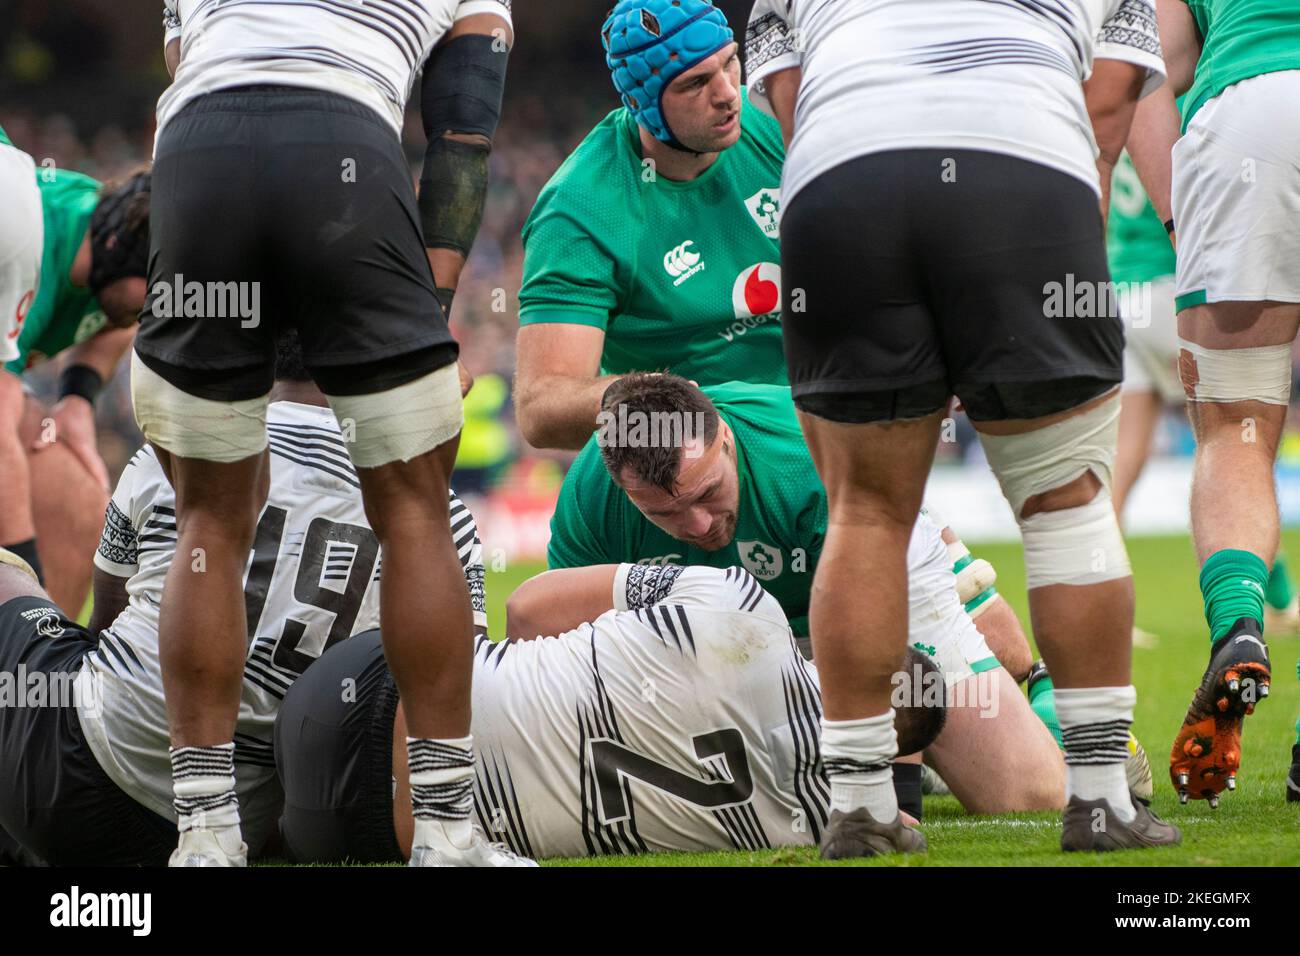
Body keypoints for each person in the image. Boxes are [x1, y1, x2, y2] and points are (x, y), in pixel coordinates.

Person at [746, 0, 1178, 855]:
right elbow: (1106, 106)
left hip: (843, 175)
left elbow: (793, 100)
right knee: (1069, 506)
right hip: (1023, 167)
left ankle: (863, 804)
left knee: (865, 513)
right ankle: (1099, 796)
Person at [135, 1, 517, 866]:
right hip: (344, 143)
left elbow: (183, 65)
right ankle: (449, 832)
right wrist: (433, 309)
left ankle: (204, 835)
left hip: (198, 150)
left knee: (207, 523)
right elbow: (462, 132)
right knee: (414, 512)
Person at [0, 332, 532, 865]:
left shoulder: (186, 452)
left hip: (77, 770)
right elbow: (457, 696)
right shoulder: (444, 519)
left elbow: (105, 621)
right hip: (257, 827)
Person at [546, 373, 1071, 815]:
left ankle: (1049, 699)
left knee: (1028, 797)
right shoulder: (589, 497)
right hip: (732, 634)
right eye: (664, 514)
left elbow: (886, 635)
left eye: (708, 493)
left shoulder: (807, 459)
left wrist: (895, 793)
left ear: (725, 440)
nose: (699, 524)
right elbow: (566, 647)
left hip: (873, 579)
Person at [275, 565, 949, 862]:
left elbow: (530, 608)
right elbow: (899, 824)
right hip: (353, 837)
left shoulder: (744, 606)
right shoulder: (822, 826)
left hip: (361, 692)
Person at [1126, 0, 1300, 806]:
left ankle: (1239, 621)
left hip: (1250, 117)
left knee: (1236, 427)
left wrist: (1177, 214)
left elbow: (1143, 65)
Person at [514, 0, 788, 450]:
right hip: (691, 456)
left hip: (816, 423)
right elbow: (541, 409)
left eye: (730, 62)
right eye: (696, 83)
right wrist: (664, 403)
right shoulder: (581, 208)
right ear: (645, 104)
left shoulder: (776, 125)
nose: (728, 94)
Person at [0, 125, 149, 612]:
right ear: (118, 250)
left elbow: (120, 319)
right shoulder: (29, 256)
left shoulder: (101, 220)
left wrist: (78, 398)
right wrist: (24, 592)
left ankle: (20, 681)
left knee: (72, 486)